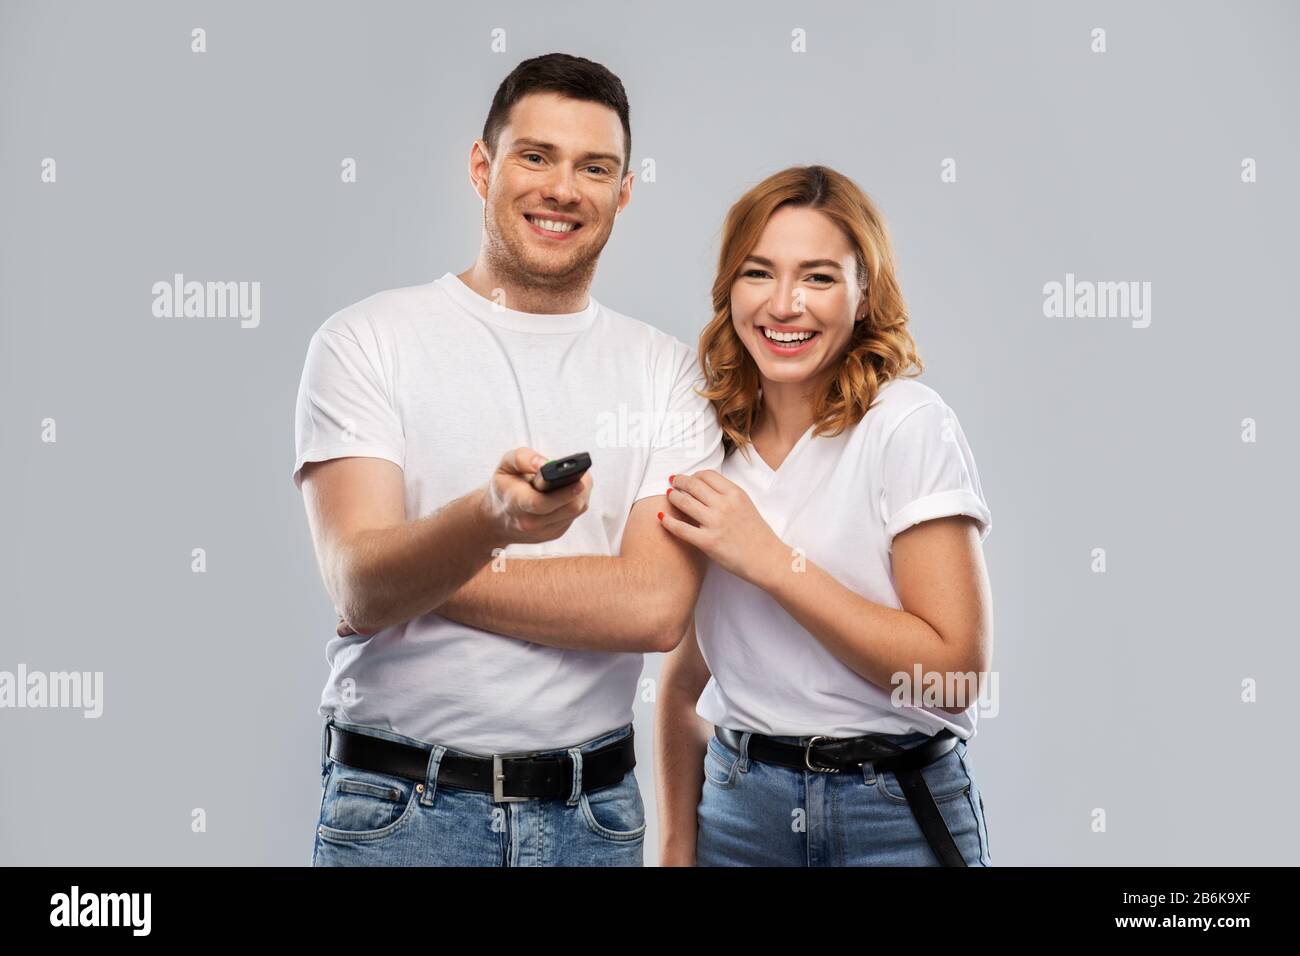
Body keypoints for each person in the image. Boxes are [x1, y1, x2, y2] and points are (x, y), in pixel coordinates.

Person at [292, 52, 723, 866]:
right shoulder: (366, 342)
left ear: (623, 191)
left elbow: (653, 610)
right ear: (481, 167)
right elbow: (358, 581)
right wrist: (488, 518)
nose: (563, 189)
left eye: (595, 167)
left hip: (592, 819)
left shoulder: (666, 371)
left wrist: (424, 572)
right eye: (536, 156)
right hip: (398, 815)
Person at [654, 165, 994, 866]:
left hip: (892, 812)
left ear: (864, 294)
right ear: (729, 289)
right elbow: (688, 680)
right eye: (758, 273)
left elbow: (953, 672)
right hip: (739, 814)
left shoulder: (906, 425)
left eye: (818, 277)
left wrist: (773, 562)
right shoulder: (705, 439)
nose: (785, 305)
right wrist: (677, 842)